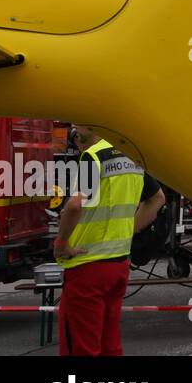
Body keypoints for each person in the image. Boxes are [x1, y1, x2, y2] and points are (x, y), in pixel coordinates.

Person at [55, 125, 165, 356]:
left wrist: (61, 243)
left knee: (82, 346)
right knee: (110, 344)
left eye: (77, 130)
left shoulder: (94, 157)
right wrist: (128, 230)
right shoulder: (132, 157)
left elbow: (75, 205)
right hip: (119, 264)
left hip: (87, 264)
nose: (75, 138)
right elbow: (157, 199)